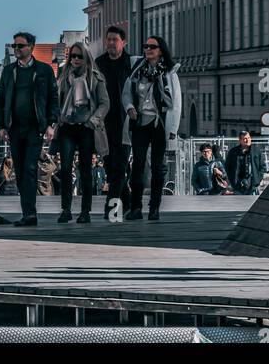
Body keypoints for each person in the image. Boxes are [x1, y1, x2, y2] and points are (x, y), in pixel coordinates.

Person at [0, 31, 59, 226]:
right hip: (15, 128)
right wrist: (1, 125)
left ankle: (30, 214)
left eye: (20, 46)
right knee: (20, 171)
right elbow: (0, 100)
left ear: (31, 47)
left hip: (34, 127)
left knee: (30, 168)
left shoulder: (44, 71)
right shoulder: (9, 71)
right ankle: (27, 212)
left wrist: (51, 124)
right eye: (15, 46)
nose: (17, 50)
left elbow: (53, 98)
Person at [123, 34, 182, 221]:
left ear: (160, 50)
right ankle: (136, 207)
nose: (148, 49)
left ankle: (154, 207)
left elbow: (175, 102)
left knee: (157, 166)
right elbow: (126, 94)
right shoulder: (137, 70)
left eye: (152, 47)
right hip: (140, 122)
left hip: (160, 124)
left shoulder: (169, 73)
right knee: (138, 164)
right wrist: (130, 108)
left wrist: (172, 130)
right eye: (146, 46)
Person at [55, 42, 110, 223]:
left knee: (85, 169)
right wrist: (59, 118)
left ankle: (85, 210)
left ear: (85, 57)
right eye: (73, 56)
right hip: (67, 127)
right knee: (65, 169)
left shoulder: (95, 77)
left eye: (79, 56)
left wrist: (92, 121)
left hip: (86, 127)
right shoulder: (64, 75)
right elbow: (57, 99)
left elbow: (104, 103)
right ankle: (66, 209)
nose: (76, 59)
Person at [95, 26, 134, 217]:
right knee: (110, 167)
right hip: (104, 123)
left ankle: (111, 208)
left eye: (115, 39)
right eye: (108, 39)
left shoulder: (131, 64)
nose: (110, 43)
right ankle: (128, 203)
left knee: (120, 166)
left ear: (123, 42)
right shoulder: (98, 63)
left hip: (125, 122)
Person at [226, 129, 264, 195]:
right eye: (245, 138)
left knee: (253, 204)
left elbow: (262, 167)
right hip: (237, 185)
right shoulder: (233, 152)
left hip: (252, 185)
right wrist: (232, 181)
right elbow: (227, 167)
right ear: (240, 140)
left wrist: (258, 179)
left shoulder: (256, 151)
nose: (248, 140)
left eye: (249, 138)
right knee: (239, 204)